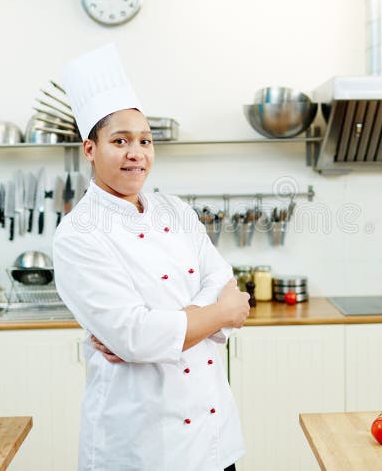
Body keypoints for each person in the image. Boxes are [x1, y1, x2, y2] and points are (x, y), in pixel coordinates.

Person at [53, 43, 250, 471]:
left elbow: (222, 279)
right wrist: (219, 313)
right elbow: (138, 336)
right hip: (141, 448)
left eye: (144, 141)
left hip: (213, 441)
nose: (136, 153)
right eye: (120, 141)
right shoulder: (78, 234)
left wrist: (164, 329)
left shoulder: (174, 209)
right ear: (90, 149)